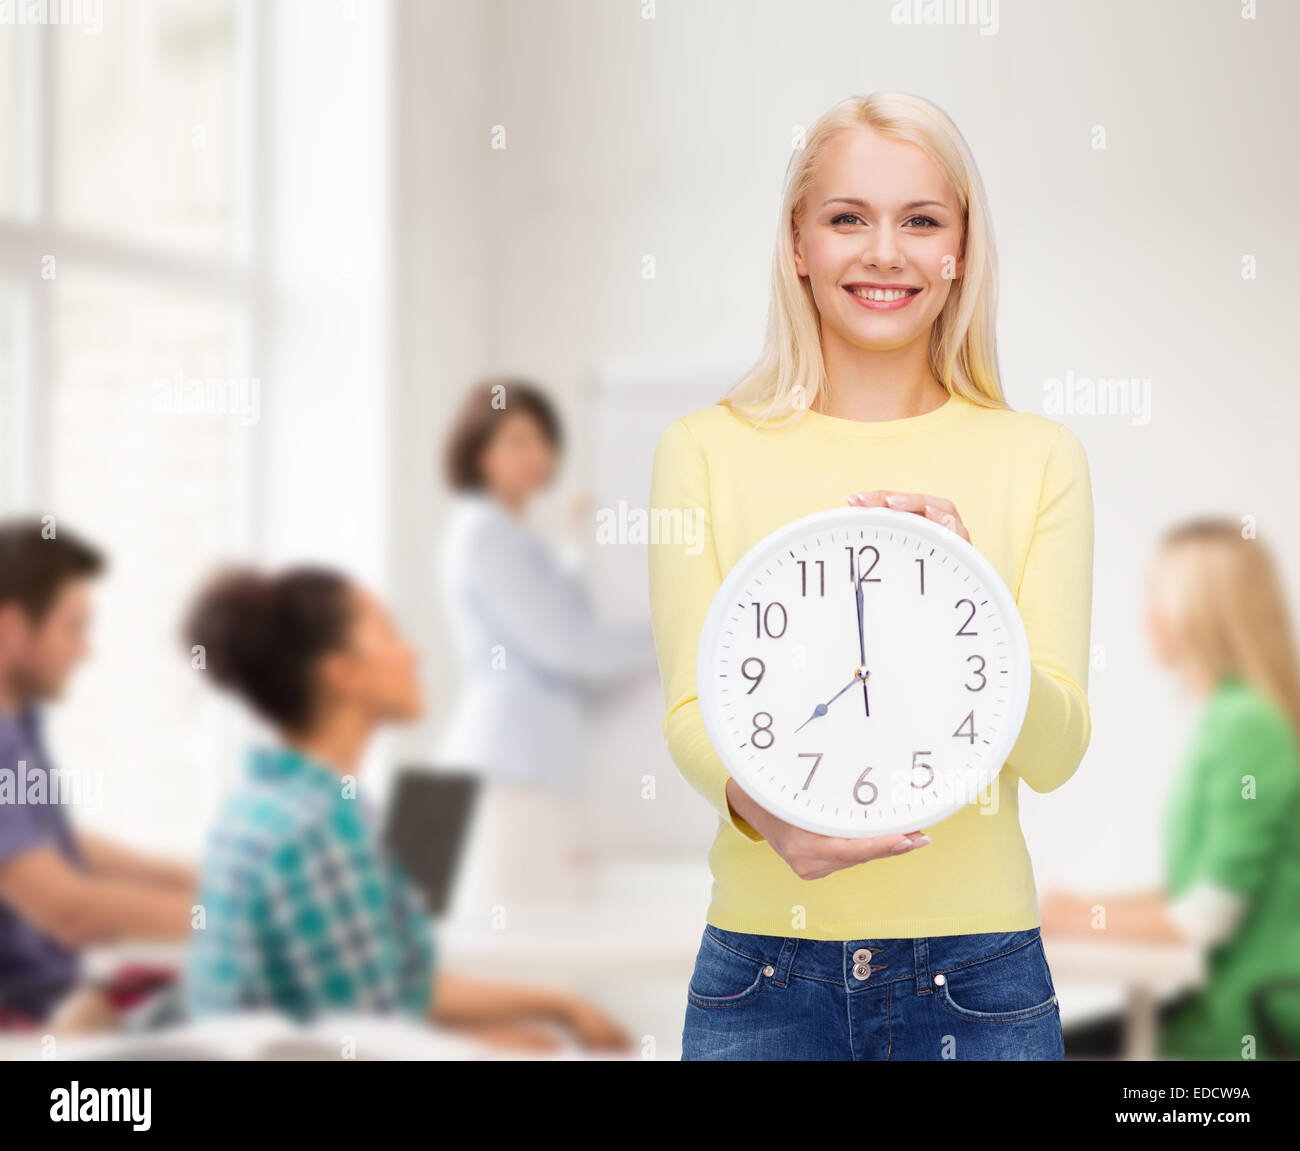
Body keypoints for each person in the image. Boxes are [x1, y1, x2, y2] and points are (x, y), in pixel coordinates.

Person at [648, 92, 1093, 1061]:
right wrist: (759, 810)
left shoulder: (1038, 456)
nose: (883, 252)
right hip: (764, 972)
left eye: (920, 220)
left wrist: (980, 602)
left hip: (978, 979)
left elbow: (1054, 755)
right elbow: (693, 709)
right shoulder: (704, 450)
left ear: (960, 253)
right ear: (798, 245)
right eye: (847, 217)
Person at [183, 565, 629, 1052]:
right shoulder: (318, 830)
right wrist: (513, 1045)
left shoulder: (273, 805)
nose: (412, 652)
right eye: (387, 633)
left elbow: (399, 992)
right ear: (341, 673)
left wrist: (557, 1006)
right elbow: (372, 1041)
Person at [1042, 519, 1300, 1059]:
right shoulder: (1233, 716)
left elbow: (1204, 918)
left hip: (1247, 1024)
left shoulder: (1245, 725)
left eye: (1155, 596)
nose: (1146, 618)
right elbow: (1203, 887)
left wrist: (1076, 921)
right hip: (1222, 1011)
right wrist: (1088, 907)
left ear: (1200, 613)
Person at [436, 379, 655, 911]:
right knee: (517, 958)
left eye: (543, 441)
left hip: (511, 773)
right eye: (516, 441)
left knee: (520, 950)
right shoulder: (485, 533)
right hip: (504, 774)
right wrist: (680, 635)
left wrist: (577, 542)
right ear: (477, 450)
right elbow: (569, 645)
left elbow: (559, 620)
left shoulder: (508, 533)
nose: (537, 455)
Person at [0, 519, 195, 1029]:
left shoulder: (18, 721)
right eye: (75, 627)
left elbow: (49, 842)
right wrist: (238, 920)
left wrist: (199, 878)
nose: (86, 650)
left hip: (53, 999)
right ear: (12, 628)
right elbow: (70, 912)